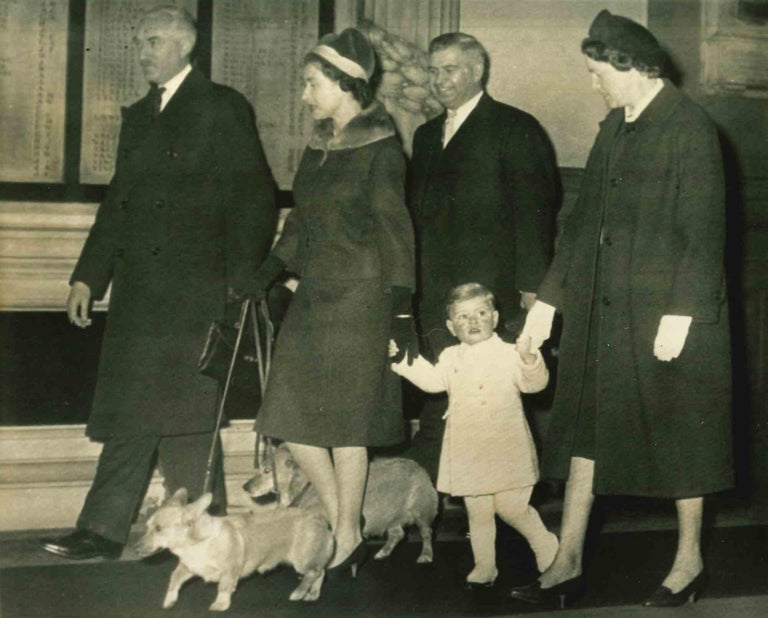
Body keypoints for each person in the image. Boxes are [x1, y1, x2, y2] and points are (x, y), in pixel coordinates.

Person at [510, 10, 733, 608]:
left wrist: (681, 314)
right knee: (585, 428)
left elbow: (703, 231)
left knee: (683, 436)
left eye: (596, 71)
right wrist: (547, 305)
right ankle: (568, 560)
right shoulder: (615, 127)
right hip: (606, 311)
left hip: (669, 317)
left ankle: (688, 564)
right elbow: (581, 227)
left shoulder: (689, 127)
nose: (592, 83)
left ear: (629, 65)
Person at [40, 6, 277, 560]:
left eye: (151, 42)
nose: (142, 52)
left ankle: (208, 534)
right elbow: (119, 204)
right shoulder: (141, 114)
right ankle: (101, 529)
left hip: (196, 291)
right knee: (130, 411)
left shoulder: (222, 107)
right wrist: (87, 277)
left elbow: (255, 199)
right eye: (140, 42)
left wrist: (239, 284)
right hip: (141, 293)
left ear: (182, 46)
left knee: (189, 419)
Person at [243, 28, 415, 573]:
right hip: (316, 297)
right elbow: (300, 223)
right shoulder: (319, 150)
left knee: (345, 424)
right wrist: (268, 268)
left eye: (312, 84)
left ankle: (344, 528)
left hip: (360, 300)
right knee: (292, 419)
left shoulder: (382, 151)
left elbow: (396, 233)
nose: (305, 95)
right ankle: (347, 520)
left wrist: (402, 309)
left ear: (345, 84)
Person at [405, 32, 558, 483]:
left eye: (449, 69)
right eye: (433, 71)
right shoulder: (427, 134)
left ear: (476, 72)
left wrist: (533, 292)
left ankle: (509, 497)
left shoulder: (515, 127)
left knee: (496, 405)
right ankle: (444, 496)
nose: (439, 80)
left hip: (494, 295)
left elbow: (536, 213)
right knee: (445, 391)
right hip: (438, 294)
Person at [390, 283, 559, 587]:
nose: (473, 321)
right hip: (468, 448)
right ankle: (485, 566)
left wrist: (530, 359)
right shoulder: (451, 356)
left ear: (495, 318)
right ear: (451, 327)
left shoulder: (511, 353)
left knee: (512, 508)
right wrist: (402, 362)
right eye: (463, 317)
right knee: (478, 512)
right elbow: (432, 382)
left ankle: (549, 549)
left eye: (481, 313)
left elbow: (535, 386)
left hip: (507, 447)